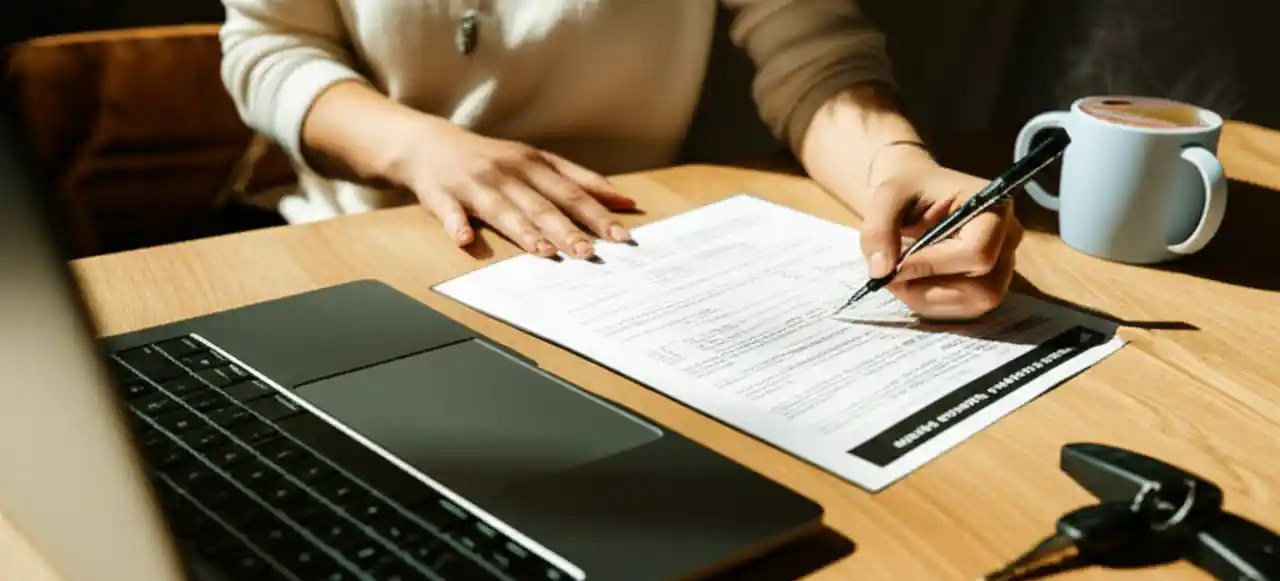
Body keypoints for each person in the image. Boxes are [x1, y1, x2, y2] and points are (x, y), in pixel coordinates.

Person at [220, 0, 1022, 320]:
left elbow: (812, 54)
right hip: (360, 254)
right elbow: (270, 49)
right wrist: (421, 146)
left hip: (620, 260)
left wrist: (895, 164)